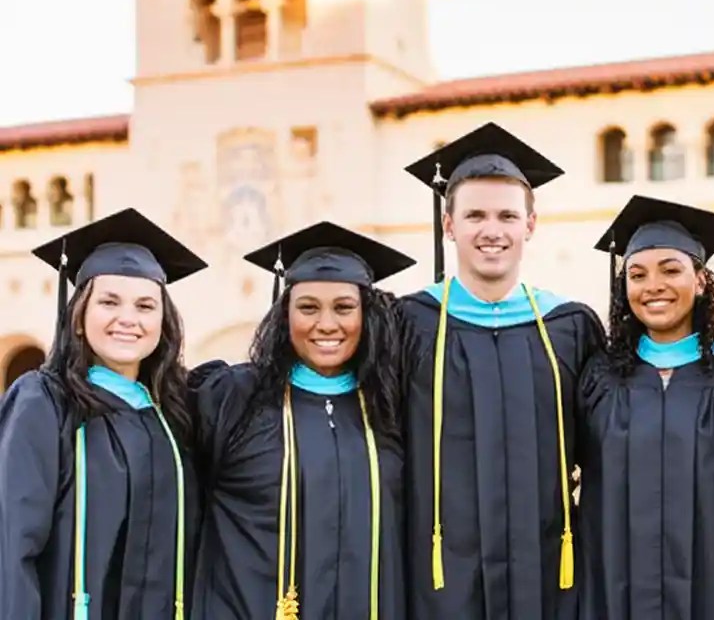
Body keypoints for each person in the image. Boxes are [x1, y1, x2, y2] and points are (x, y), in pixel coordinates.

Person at [398, 122, 606, 620]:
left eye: (508, 216)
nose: (492, 230)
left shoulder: (569, 327)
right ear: (449, 225)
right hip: (439, 578)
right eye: (475, 215)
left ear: (530, 226)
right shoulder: (407, 324)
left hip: (548, 573)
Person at [186, 221, 416, 619]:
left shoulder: (390, 408)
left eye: (344, 307)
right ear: (284, 314)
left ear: (369, 316)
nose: (326, 324)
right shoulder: (232, 400)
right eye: (308, 307)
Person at [0, 208, 207, 619]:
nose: (127, 319)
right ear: (79, 318)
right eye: (109, 302)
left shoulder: (175, 417)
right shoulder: (44, 404)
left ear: (163, 323)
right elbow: (11, 547)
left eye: (145, 306)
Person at [577, 195, 714, 620]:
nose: (654, 286)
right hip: (614, 596)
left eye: (671, 270)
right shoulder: (599, 380)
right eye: (637, 274)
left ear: (701, 281)